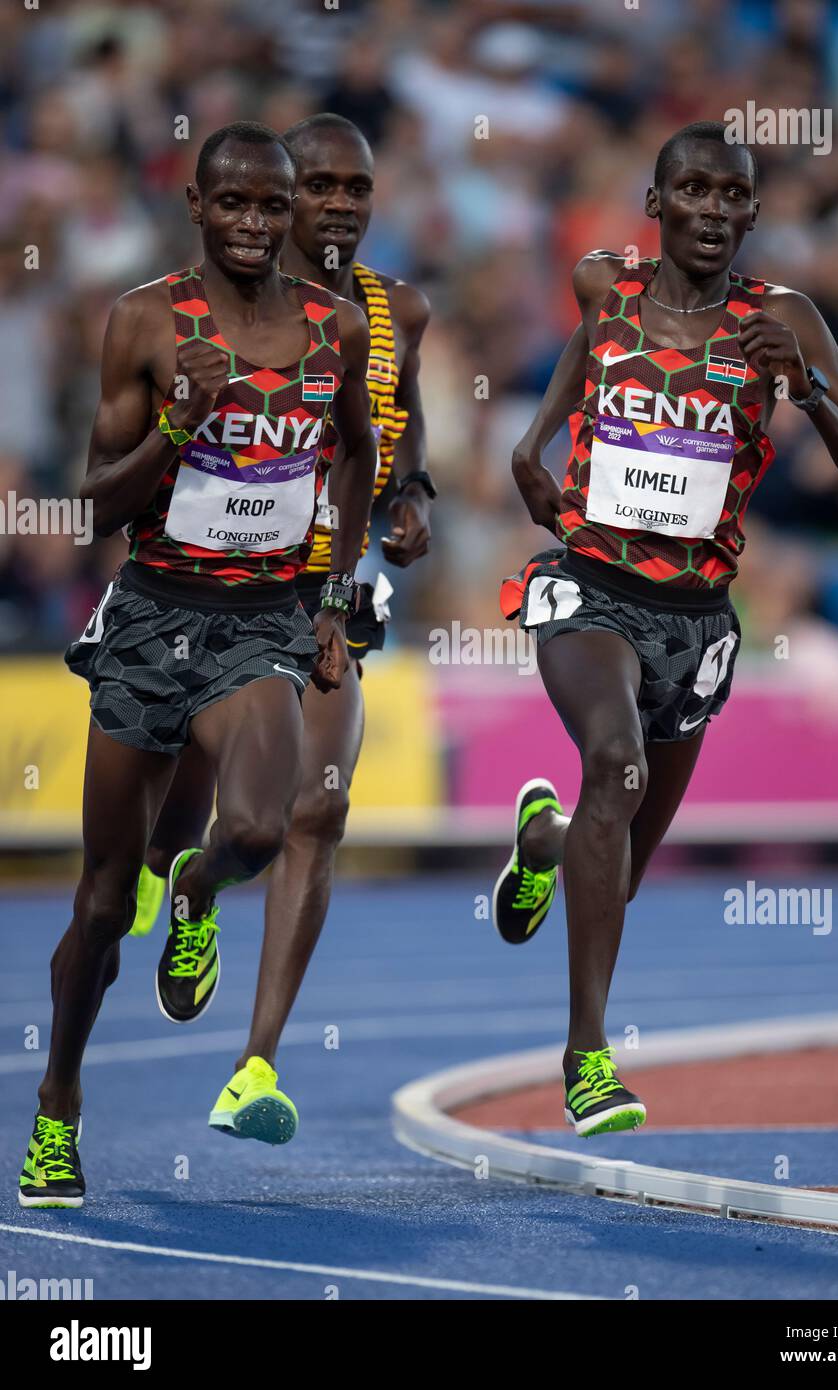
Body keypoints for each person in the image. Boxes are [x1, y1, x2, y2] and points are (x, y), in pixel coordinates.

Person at [496, 121, 838, 1138]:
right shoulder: (605, 285)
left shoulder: (785, 319)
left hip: (694, 617)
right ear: (655, 202)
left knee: (614, 859)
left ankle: (539, 844)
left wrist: (800, 386)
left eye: (732, 196)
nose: (713, 211)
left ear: (752, 215)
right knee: (615, 764)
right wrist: (530, 446)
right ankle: (587, 1058)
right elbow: (576, 363)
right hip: (588, 584)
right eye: (693, 191)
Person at [18, 121, 377, 1207]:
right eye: (236, 206)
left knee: (264, 826)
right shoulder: (144, 320)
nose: (258, 225)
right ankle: (58, 1107)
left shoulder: (335, 326)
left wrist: (331, 588)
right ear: (197, 207)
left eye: (274, 207)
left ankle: (199, 894)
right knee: (94, 902)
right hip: (149, 620)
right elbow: (90, 504)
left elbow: (356, 452)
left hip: (262, 620)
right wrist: (180, 422)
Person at [127, 114, 434, 1148]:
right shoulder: (212, 310)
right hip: (204, 591)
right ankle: (183, 882)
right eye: (318, 185)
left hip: (325, 596)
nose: (340, 203)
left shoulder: (395, 313)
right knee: (180, 814)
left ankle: (254, 1062)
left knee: (317, 811)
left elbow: (398, 420)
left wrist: (412, 489)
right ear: (273, 198)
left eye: (358, 186)